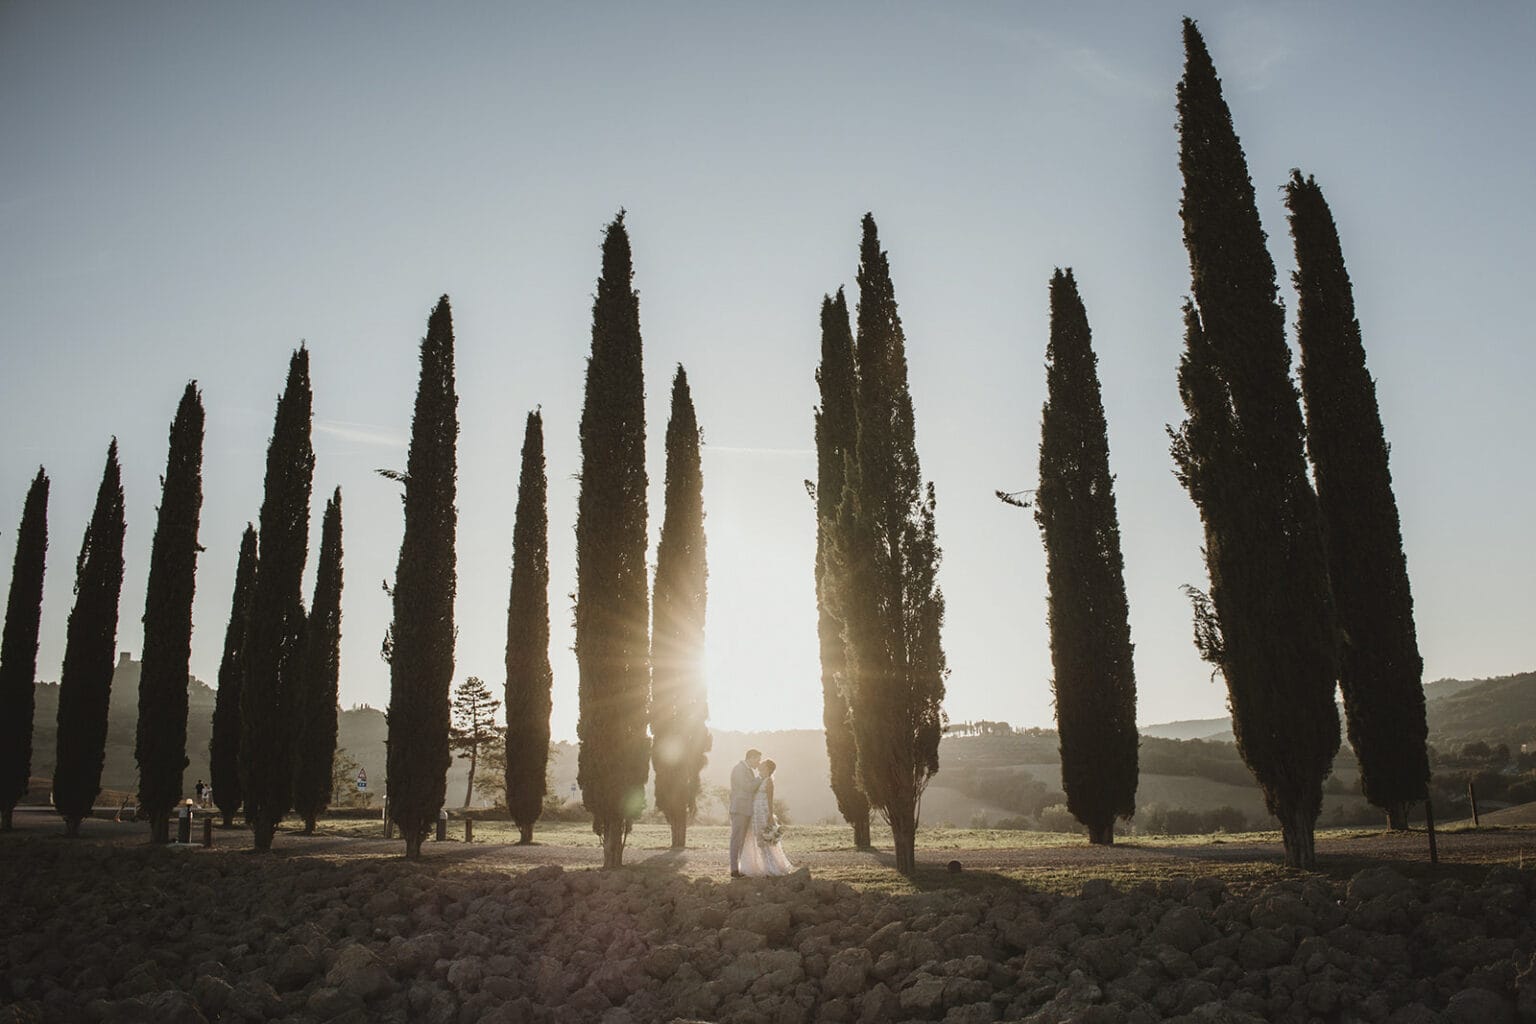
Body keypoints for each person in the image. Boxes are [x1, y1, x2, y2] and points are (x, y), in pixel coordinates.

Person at [739, 758, 794, 877]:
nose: (760, 764)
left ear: (767, 768)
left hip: (763, 812)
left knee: (764, 839)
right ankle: (758, 866)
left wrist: (770, 815)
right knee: (755, 837)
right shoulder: (760, 779)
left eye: (763, 764)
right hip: (755, 812)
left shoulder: (768, 781)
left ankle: (770, 867)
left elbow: (770, 799)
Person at [728, 749, 762, 878]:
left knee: (742, 840)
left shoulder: (747, 769)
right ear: (751, 757)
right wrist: (761, 777)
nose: (758, 763)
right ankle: (734, 869)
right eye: (757, 760)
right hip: (740, 809)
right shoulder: (739, 769)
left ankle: (741, 868)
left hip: (746, 809)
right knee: (736, 839)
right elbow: (748, 787)